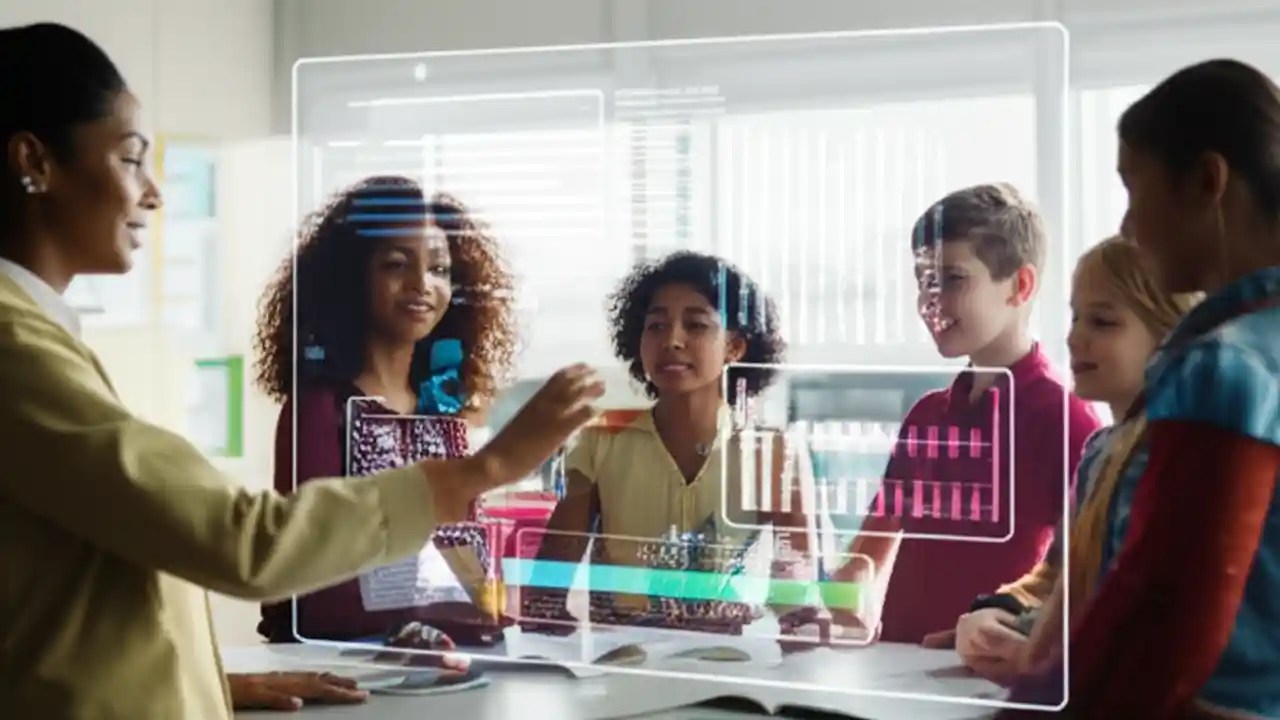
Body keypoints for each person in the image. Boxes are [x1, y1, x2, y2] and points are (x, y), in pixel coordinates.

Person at [0, 22, 603, 719]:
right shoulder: (15, 348)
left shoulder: (37, 334)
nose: (154, 193)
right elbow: (245, 543)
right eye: (132, 159)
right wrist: (483, 470)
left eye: (439, 267)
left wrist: (209, 682)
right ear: (35, 163)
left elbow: (71, 595)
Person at [1002, 59, 1280, 719]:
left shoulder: (1227, 367)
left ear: (1207, 182)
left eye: (1134, 189)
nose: (1127, 225)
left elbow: (1169, 605)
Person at [788, 183, 1102, 646]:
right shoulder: (926, 416)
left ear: (1021, 285)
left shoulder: (1065, 421)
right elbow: (869, 555)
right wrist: (824, 610)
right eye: (923, 281)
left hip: (988, 678)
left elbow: (1084, 578)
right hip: (897, 667)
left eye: (952, 279)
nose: (929, 298)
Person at [253, 176, 519, 644]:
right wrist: (431, 617)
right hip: (341, 664)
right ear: (352, 277)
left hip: (438, 655)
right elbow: (310, 570)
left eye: (439, 269)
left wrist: (482, 608)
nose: (422, 285)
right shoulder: (318, 406)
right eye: (397, 265)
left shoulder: (444, 406)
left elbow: (461, 551)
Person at [948, 235, 1199, 685]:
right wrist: (992, 616)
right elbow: (1058, 577)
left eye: (1102, 322)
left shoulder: (1179, 461)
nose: (1074, 337)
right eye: (1075, 316)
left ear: (1170, 336)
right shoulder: (1099, 453)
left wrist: (1047, 654)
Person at [526, 251, 816, 632]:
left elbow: (797, 597)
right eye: (656, 326)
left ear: (735, 347)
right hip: (621, 662)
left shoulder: (774, 453)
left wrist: (809, 628)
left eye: (695, 326)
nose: (672, 340)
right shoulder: (599, 440)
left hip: (734, 666)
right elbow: (547, 594)